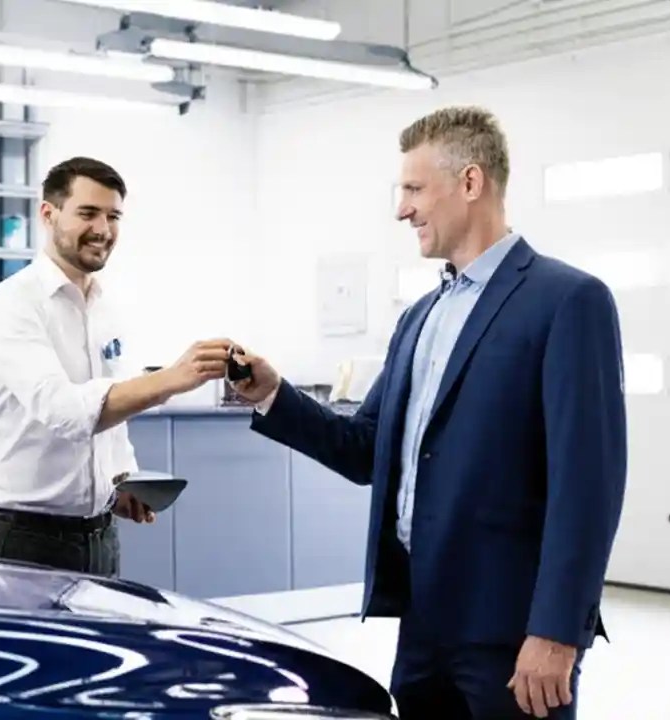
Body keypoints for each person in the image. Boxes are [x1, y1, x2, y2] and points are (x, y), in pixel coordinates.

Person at [228, 107, 627, 719]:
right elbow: (366, 447)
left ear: (470, 183)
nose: (401, 209)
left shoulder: (567, 300)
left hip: (514, 634)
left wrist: (557, 632)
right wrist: (272, 394)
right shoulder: (421, 317)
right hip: (422, 625)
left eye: (413, 189)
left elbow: (588, 486)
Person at [0, 156, 232, 578]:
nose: (104, 229)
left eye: (114, 216)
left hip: (100, 538)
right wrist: (170, 379)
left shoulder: (105, 307)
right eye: (88, 213)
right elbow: (66, 411)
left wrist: (119, 479)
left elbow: (110, 414)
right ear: (48, 214)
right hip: (24, 542)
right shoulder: (11, 304)